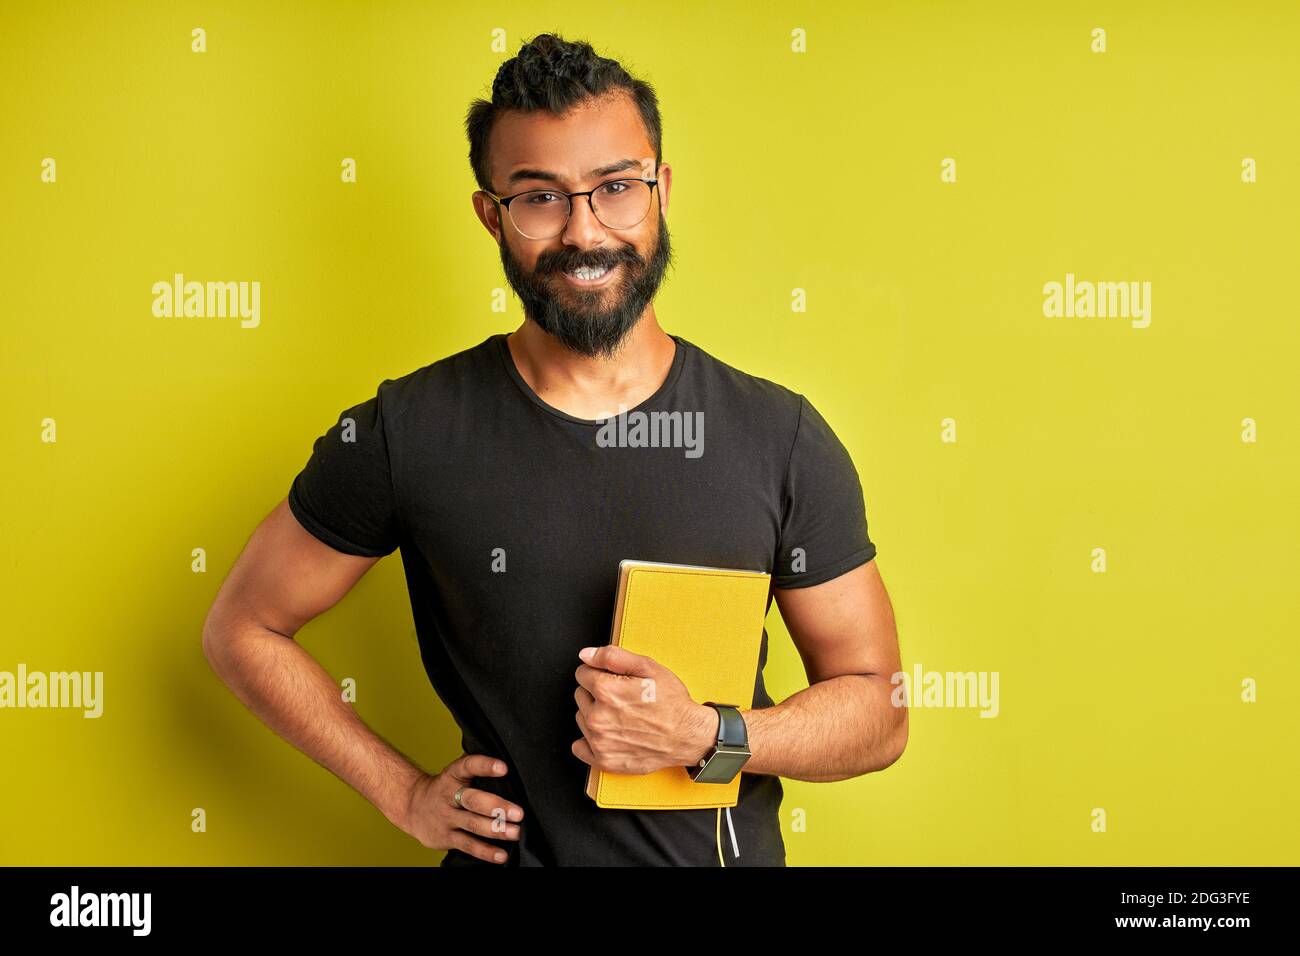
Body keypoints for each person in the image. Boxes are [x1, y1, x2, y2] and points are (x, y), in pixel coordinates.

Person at [202, 32, 905, 867]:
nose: (584, 231)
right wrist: (401, 793)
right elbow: (242, 628)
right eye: (540, 198)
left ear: (661, 190)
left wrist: (706, 733)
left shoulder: (777, 435)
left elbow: (879, 710)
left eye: (616, 188)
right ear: (491, 215)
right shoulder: (410, 430)